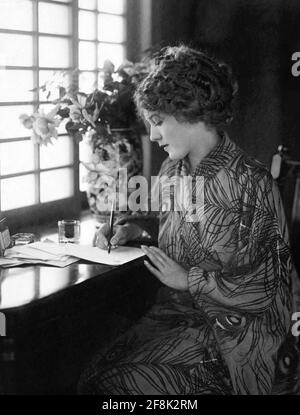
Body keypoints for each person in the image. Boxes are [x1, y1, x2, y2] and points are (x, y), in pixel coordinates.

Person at [78, 45, 300, 395]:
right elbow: (177, 229)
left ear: (188, 111)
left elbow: (271, 287)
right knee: (90, 372)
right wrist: (135, 229)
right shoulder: (172, 170)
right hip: (175, 315)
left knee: (117, 383)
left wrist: (190, 280)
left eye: (157, 122)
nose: (151, 136)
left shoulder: (252, 182)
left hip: (235, 332)